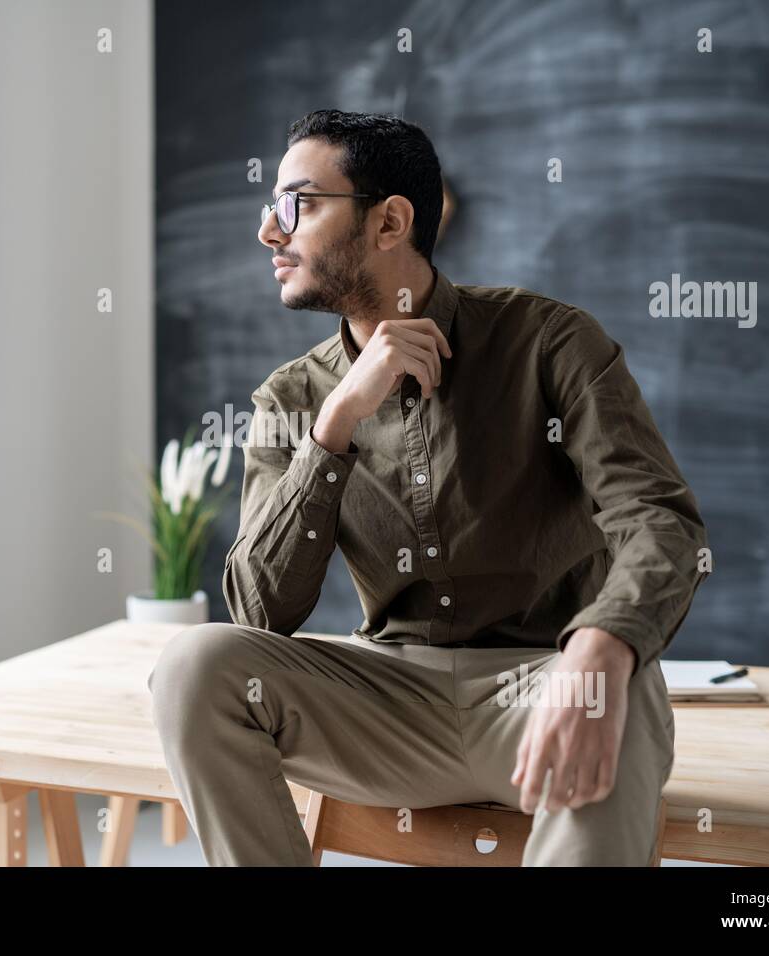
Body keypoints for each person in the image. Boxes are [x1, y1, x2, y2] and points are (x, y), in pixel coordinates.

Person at [148, 109, 710, 866]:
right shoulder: (291, 400)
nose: (269, 233)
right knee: (194, 666)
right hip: (385, 706)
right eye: (269, 207)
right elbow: (259, 610)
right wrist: (339, 417)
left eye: (297, 205)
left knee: (620, 679)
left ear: (390, 223)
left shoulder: (550, 341)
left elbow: (659, 520)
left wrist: (600, 647)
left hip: (545, 688)